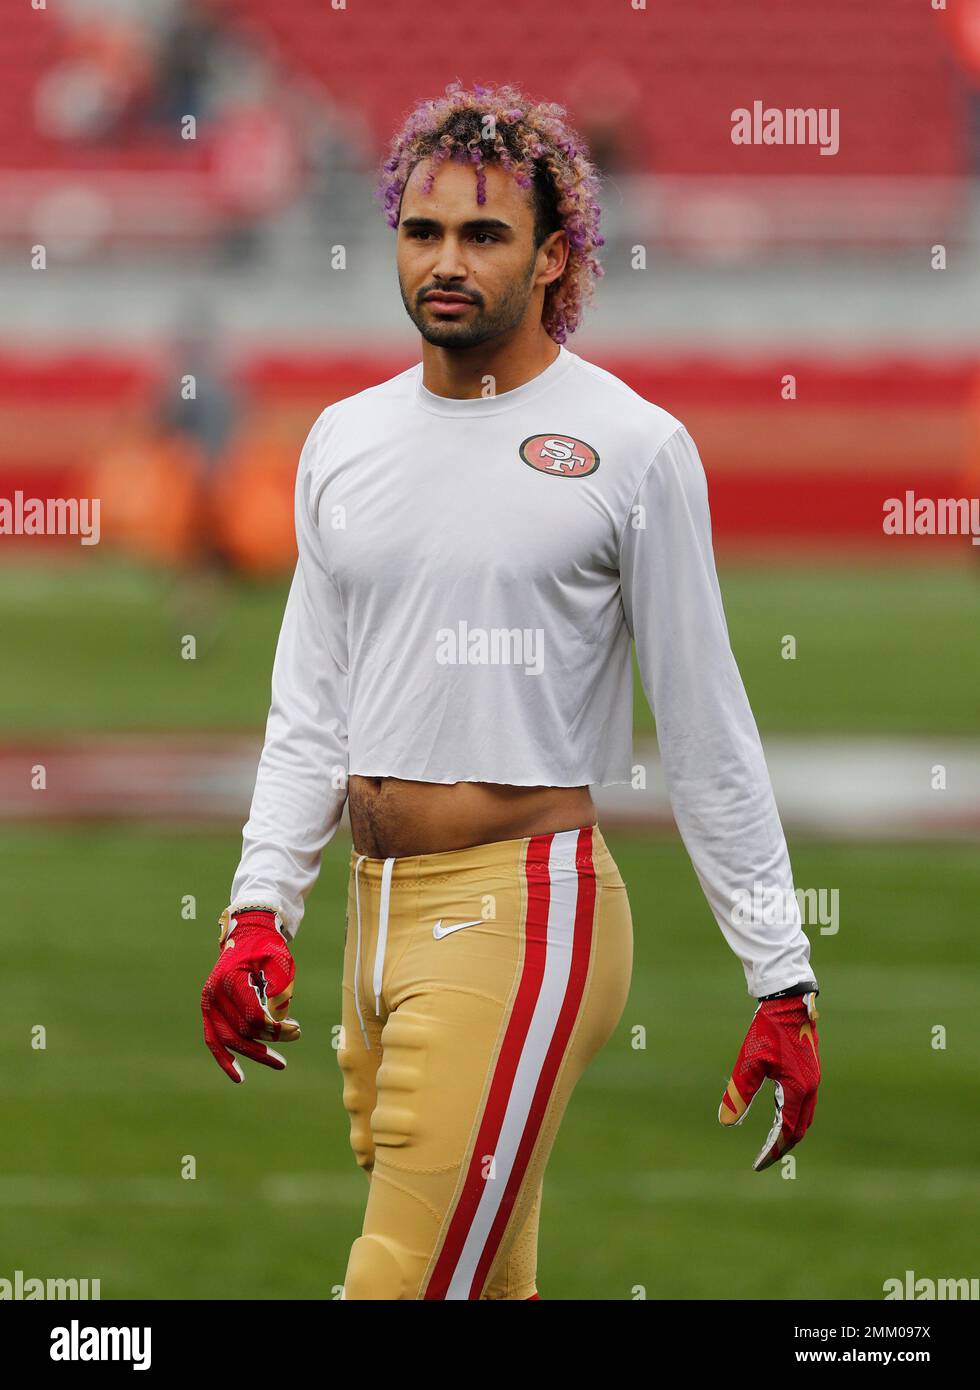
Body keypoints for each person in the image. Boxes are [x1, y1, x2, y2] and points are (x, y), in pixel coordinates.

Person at [200, 81, 821, 1301]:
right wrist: (257, 906)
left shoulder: (631, 445)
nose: (446, 260)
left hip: (524, 918)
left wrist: (781, 977)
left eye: (483, 235)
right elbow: (309, 705)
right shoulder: (343, 438)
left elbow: (704, 728)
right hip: (370, 925)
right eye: (422, 230)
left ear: (552, 256)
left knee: (399, 1282)